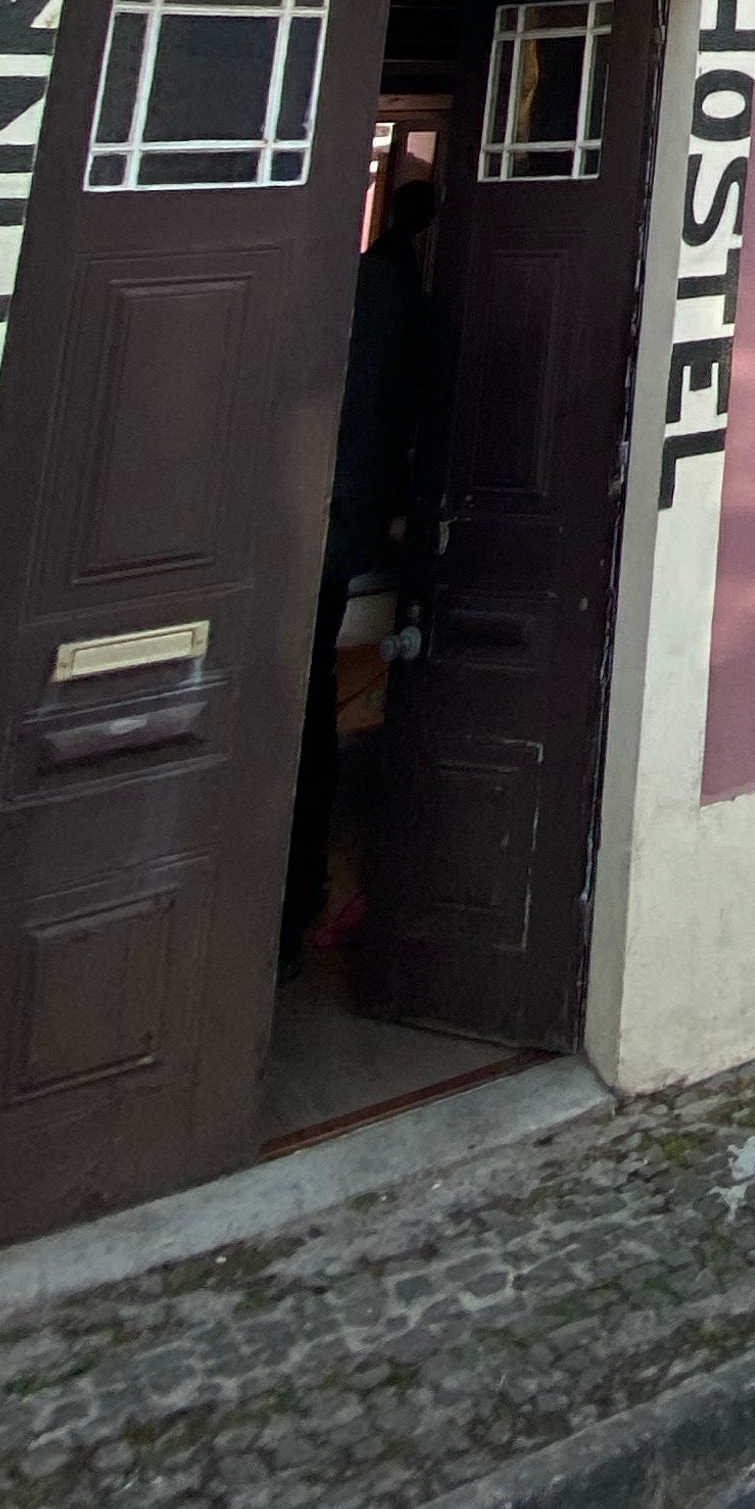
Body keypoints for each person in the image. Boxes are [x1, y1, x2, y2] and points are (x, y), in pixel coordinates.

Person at [281, 178, 438, 977]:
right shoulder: (389, 290)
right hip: (338, 518)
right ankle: (292, 899)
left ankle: (292, 900)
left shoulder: (378, 290)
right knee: (301, 701)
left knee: (300, 699)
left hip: (326, 521)